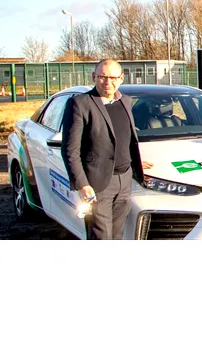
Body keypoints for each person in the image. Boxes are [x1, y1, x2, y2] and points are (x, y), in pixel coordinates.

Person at [61, 59, 153, 239]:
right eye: (102, 77)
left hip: (124, 179)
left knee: (117, 234)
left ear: (121, 78)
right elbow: (70, 149)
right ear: (94, 77)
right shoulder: (80, 104)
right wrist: (82, 184)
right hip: (98, 182)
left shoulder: (125, 102)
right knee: (101, 235)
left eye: (113, 77)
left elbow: (123, 139)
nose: (107, 82)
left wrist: (134, 162)